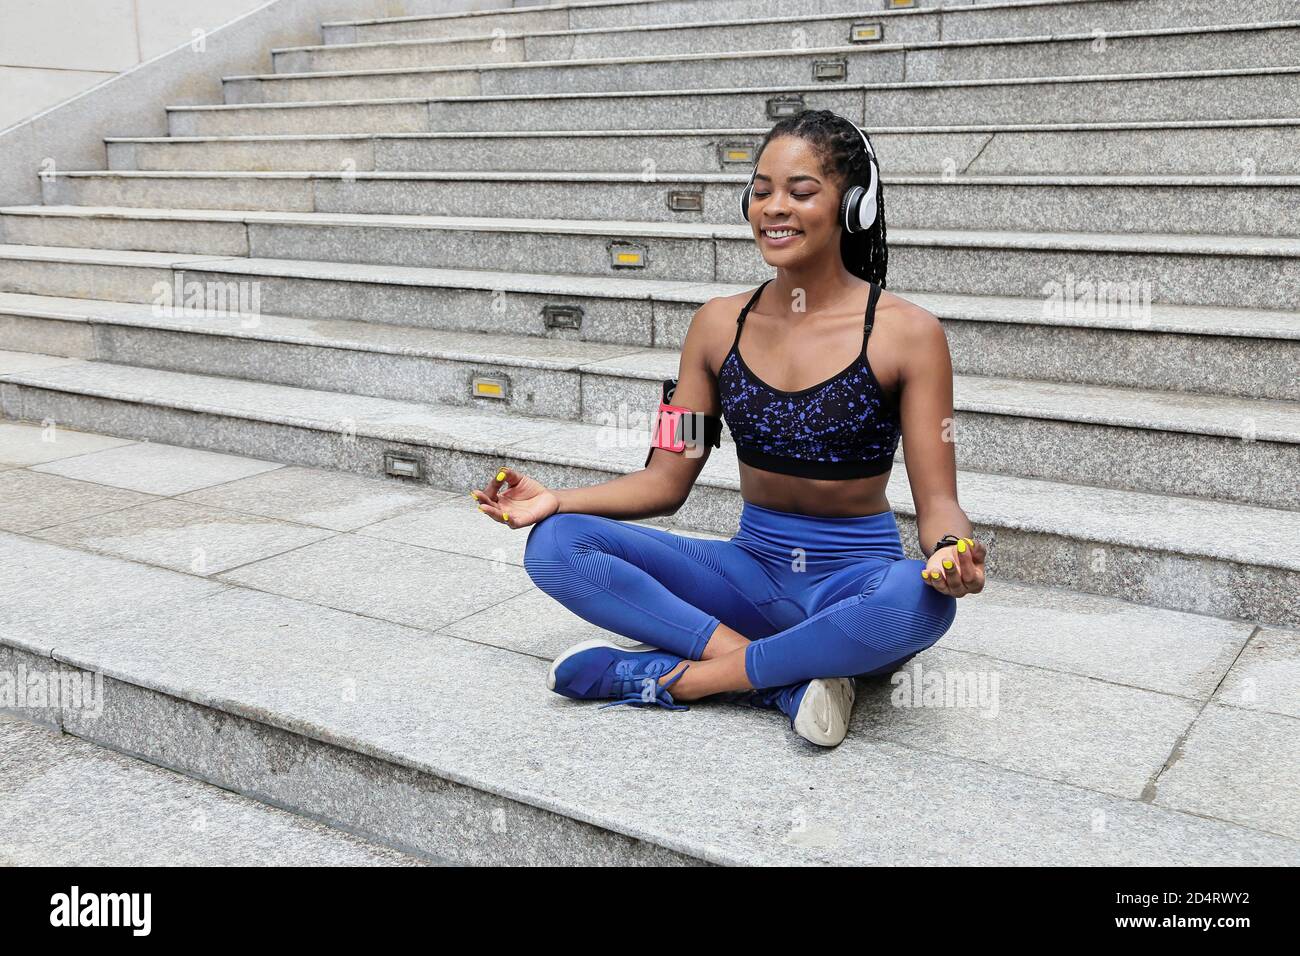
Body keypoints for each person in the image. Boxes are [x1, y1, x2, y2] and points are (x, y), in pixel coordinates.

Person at [471, 109, 987, 747]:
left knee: (920, 599)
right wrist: (556, 500)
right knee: (555, 543)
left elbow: (940, 504)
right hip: (748, 573)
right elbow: (664, 480)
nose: (775, 208)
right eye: (762, 190)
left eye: (800, 192)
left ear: (853, 207)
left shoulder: (908, 333)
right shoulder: (716, 326)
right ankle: (786, 679)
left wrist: (949, 554)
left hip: (853, 584)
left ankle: (679, 679)